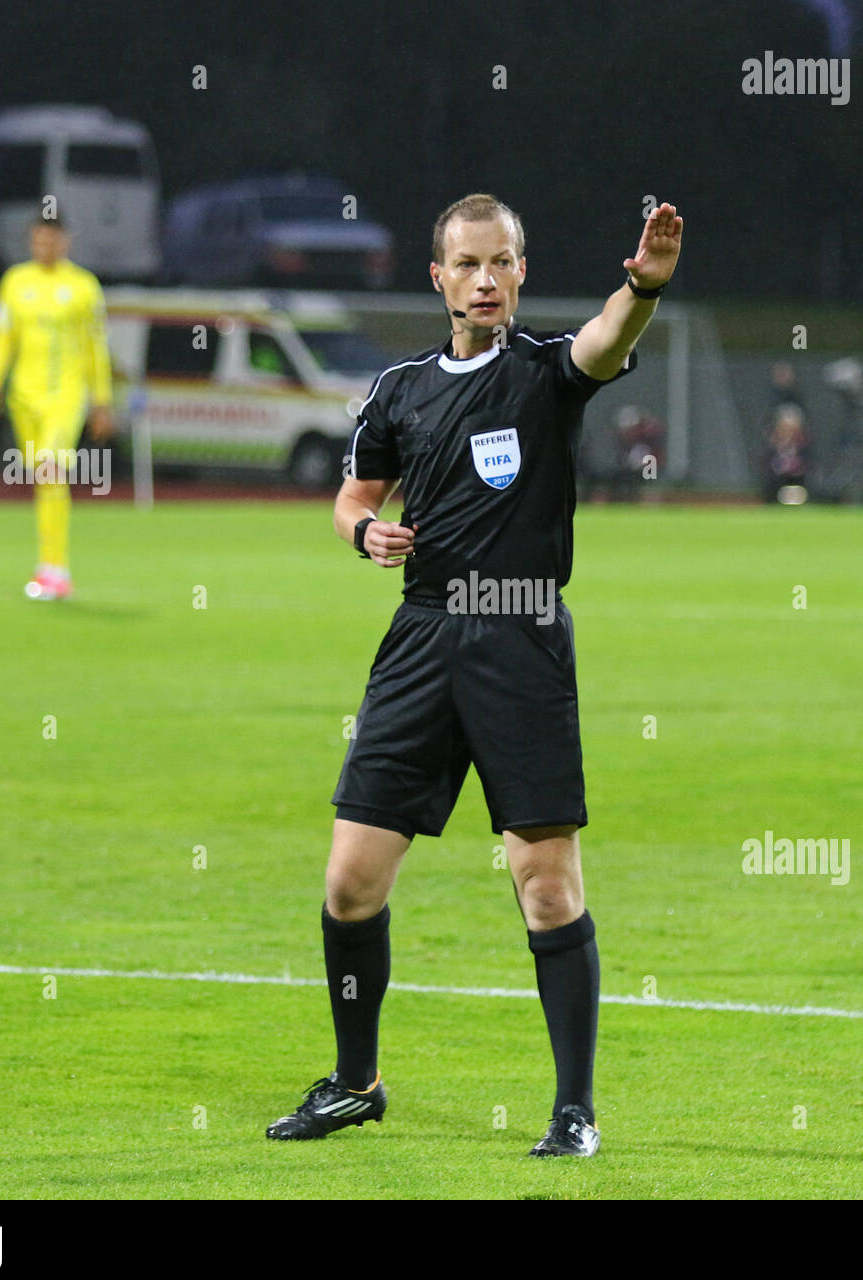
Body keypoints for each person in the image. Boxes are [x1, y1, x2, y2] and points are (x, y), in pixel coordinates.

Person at [265, 194, 682, 1157]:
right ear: (440, 277)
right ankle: (356, 1079)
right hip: (420, 640)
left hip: (520, 640)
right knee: (350, 882)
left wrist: (644, 285)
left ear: (521, 272)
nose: (486, 279)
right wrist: (363, 530)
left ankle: (573, 1107)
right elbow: (351, 495)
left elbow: (608, 344)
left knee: (545, 883)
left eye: (502, 263)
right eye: (469, 264)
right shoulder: (399, 389)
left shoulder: (545, 372)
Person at [0, 213, 114, 600]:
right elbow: (3, 338)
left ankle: (56, 568)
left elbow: (95, 348)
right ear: (30, 241)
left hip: (66, 396)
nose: (44, 246)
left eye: (51, 239)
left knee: (51, 468)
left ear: (65, 241)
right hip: (25, 397)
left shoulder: (84, 287)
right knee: (43, 479)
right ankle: (47, 565)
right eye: (38, 239)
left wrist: (101, 400)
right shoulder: (15, 282)